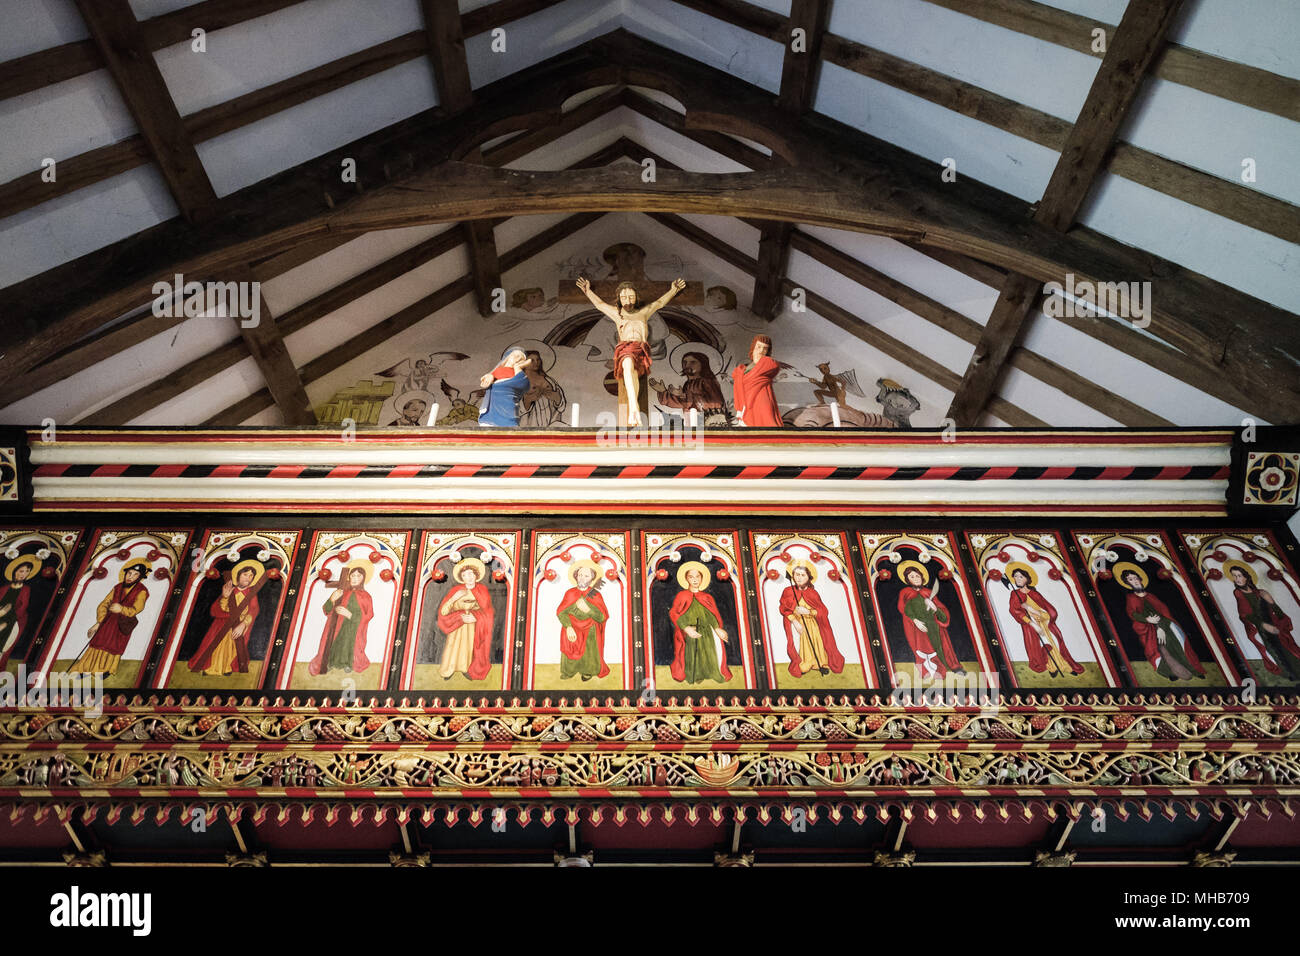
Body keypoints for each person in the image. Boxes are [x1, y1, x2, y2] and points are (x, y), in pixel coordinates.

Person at [576, 276, 686, 427]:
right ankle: (634, 408)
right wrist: (587, 291)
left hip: (641, 349)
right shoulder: (618, 313)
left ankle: (635, 409)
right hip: (626, 348)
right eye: (623, 297)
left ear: (636, 298)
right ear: (619, 299)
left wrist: (674, 290)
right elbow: (600, 304)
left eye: (631, 296)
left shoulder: (643, 313)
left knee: (634, 375)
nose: (627, 300)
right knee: (627, 367)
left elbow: (659, 303)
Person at [1117, 562, 1204, 681]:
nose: (1135, 581)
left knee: (1178, 642)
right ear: (1127, 583)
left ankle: (1193, 669)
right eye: (1131, 579)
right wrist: (1147, 619)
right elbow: (1132, 613)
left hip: (1165, 624)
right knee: (1157, 649)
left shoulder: (1151, 596)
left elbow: (1164, 612)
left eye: (1136, 578)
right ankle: (1169, 672)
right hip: (1146, 628)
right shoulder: (1131, 598)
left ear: (1140, 579)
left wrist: (1161, 627)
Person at [187, 559, 267, 677]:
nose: (248, 578)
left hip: (239, 626)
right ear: (238, 575)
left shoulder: (251, 594)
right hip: (222, 625)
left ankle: (227, 668)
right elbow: (215, 610)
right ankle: (212, 669)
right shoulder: (230, 590)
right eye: (245, 574)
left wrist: (243, 624)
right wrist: (224, 597)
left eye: (251, 576)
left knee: (232, 647)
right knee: (217, 646)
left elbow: (254, 610)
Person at [71, 561, 150, 675]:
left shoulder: (141, 591)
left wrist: (121, 609)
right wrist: (100, 621)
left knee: (113, 646)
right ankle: (86, 667)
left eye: (135, 574)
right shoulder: (118, 587)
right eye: (129, 573)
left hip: (122, 623)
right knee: (98, 641)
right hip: (108, 620)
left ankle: (106, 670)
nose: (130, 577)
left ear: (140, 577)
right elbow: (105, 603)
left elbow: (137, 609)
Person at [1005, 564, 1084, 677]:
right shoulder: (1015, 594)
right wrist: (1032, 623)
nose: (1017, 579)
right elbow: (1014, 611)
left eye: (1020, 576)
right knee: (1042, 646)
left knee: (1054, 644)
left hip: (1045, 623)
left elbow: (1049, 610)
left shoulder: (1034, 594)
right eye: (1015, 576)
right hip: (1030, 625)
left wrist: (1032, 609)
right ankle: (1051, 668)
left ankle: (1064, 666)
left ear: (1027, 579)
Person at [1227, 562, 1300, 679]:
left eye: (1239, 575)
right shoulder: (1238, 593)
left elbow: (1276, 610)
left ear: (1246, 577)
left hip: (1274, 624)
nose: (1237, 579)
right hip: (1261, 627)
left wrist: (1270, 601)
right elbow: (1245, 614)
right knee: (1275, 650)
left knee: (1288, 646)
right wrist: (1264, 625)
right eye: (1234, 576)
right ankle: (1291, 674)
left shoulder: (1260, 592)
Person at [778, 560, 845, 678]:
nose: (799, 578)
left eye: (802, 575)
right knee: (800, 643)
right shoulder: (788, 591)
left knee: (817, 641)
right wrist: (794, 621)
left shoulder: (812, 593)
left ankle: (821, 664)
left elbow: (823, 611)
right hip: (796, 623)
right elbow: (784, 608)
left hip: (812, 623)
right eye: (796, 575)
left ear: (809, 577)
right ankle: (805, 664)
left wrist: (809, 611)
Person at [897, 561, 962, 680]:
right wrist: (914, 620)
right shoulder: (905, 592)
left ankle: (953, 667)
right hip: (918, 626)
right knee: (924, 650)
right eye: (912, 577)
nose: (916, 578)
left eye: (917, 576)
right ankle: (930, 672)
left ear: (922, 577)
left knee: (941, 647)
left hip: (934, 625)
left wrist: (934, 607)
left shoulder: (928, 592)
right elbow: (903, 608)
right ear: (907, 579)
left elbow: (941, 610)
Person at [668, 562, 731, 684]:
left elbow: (712, 615)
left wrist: (718, 628)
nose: (695, 580)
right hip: (690, 632)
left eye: (698, 576)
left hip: (708, 632)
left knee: (711, 654)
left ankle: (712, 673)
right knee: (693, 656)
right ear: (686, 578)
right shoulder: (682, 595)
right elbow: (674, 613)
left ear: (702, 578)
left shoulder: (707, 597)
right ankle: (695, 676)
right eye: (691, 577)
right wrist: (686, 628)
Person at [309, 562, 374, 676]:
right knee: (335, 641)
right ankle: (330, 663)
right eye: (353, 576)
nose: (355, 578)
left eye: (358, 576)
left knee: (349, 643)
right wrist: (332, 599)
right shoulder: (343, 592)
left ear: (363, 579)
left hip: (353, 627)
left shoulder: (365, 596)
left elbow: (369, 615)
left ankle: (348, 664)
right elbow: (326, 609)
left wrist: (350, 615)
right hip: (338, 624)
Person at [435, 557, 494, 681]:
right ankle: (448, 670)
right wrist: (454, 598)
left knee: (468, 647)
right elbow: (444, 611)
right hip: (456, 623)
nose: (469, 577)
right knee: (453, 646)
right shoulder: (456, 591)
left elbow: (487, 612)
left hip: (472, 625)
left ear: (476, 574)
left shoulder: (482, 590)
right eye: (465, 575)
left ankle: (465, 669)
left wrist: (475, 617)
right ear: (462, 578)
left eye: (471, 573)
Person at [557, 561, 610, 680]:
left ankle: (588, 670)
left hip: (589, 627)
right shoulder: (570, 593)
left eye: (586, 575)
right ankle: (569, 671)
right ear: (575, 576)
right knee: (569, 642)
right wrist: (568, 627)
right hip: (571, 626)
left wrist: (588, 610)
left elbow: (602, 617)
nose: (582, 578)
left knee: (590, 643)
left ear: (592, 579)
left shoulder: (595, 594)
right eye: (580, 574)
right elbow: (561, 612)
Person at [651, 351, 725, 420]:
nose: (687, 365)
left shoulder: (708, 381)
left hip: (708, 423)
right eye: (684, 362)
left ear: (703, 364)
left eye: (693, 362)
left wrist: (683, 395)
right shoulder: (688, 384)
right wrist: (662, 391)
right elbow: (682, 402)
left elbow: (716, 403)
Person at [0, 555, 41, 670]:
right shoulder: (3, 589)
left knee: (5, 646)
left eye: (27, 571)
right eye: (21, 571)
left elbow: (23, 607)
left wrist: (7, 620)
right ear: (14, 571)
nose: (23, 574)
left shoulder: (26, 589)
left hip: (16, 621)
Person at [731, 335, 782, 427]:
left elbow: (773, 366)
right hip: (744, 403)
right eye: (759, 346)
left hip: (762, 398)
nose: (761, 350)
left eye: (765, 348)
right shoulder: (740, 371)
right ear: (753, 347)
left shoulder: (769, 364)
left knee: (766, 423)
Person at [477, 349, 534, 427]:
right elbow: (484, 384)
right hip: (494, 403)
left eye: (521, 359)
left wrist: (518, 367)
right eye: (516, 356)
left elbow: (523, 384)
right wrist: (489, 377)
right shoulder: (497, 371)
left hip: (508, 402)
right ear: (508, 357)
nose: (517, 359)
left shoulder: (518, 373)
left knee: (509, 422)